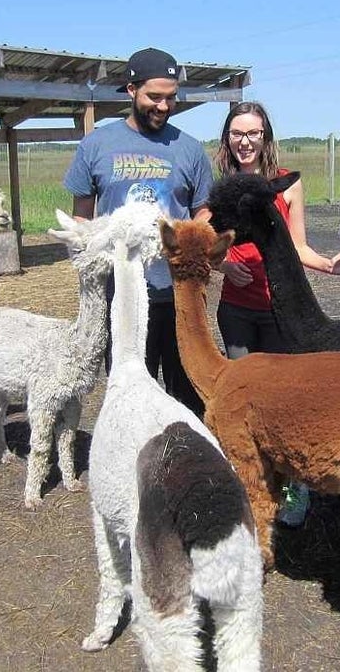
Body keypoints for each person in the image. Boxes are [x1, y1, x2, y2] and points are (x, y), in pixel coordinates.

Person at [213, 101, 340, 525]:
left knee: (286, 402)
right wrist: (224, 263)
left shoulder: (286, 187)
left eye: (253, 133)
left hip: (280, 311)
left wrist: (328, 265)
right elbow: (205, 244)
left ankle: (293, 488)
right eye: (237, 133)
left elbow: (298, 246)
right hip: (237, 311)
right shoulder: (222, 188)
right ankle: (251, 488)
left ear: (265, 137)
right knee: (246, 401)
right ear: (227, 138)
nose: (245, 141)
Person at [63, 47, 211, 417]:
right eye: (154, 97)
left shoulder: (190, 149)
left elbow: (203, 214)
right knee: (128, 398)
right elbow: (83, 220)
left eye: (171, 98)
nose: (163, 106)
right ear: (131, 90)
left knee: (187, 398)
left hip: (178, 298)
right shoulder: (96, 145)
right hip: (123, 298)